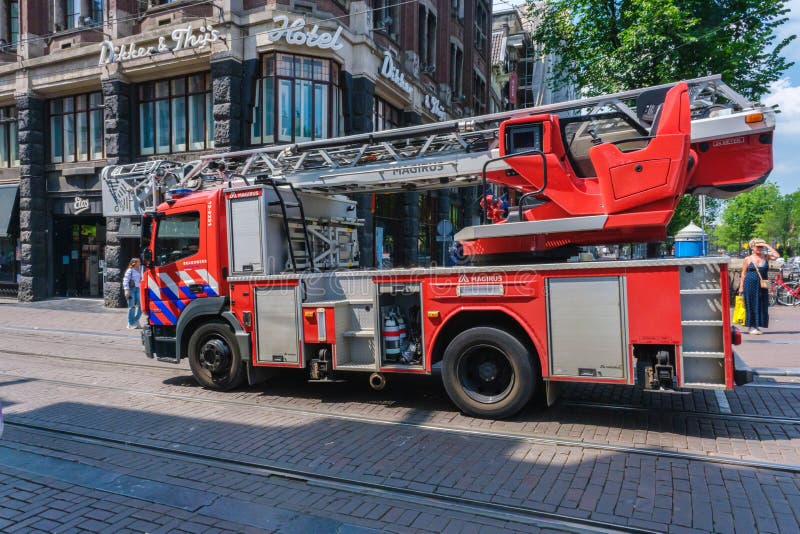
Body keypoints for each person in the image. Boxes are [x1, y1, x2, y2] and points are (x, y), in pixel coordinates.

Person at [738, 238, 779, 335]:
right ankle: (752, 327)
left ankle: (757, 325)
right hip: (750, 284)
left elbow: (777, 256)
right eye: (758, 246)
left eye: (761, 246)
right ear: (752, 247)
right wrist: (741, 286)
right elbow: (743, 273)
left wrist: (767, 245)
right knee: (751, 303)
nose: (760, 248)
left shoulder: (766, 257)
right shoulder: (748, 259)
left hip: (762, 285)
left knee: (761, 304)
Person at [123, 258, 143, 330]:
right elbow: (125, 280)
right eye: (138, 262)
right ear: (134, 263)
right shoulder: (130, 270)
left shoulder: (141, 269)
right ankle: (130, 323)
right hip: (131, 289)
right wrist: (126, 290)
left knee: (141, 306)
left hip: (139, 289)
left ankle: (135, 320)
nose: (140, 263)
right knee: (132, 307)